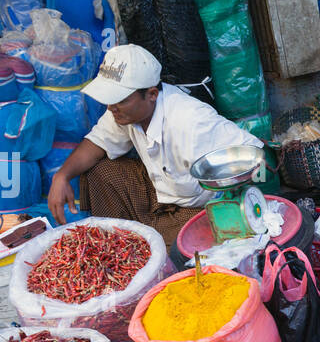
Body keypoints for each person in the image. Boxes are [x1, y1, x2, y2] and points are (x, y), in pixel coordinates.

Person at [47, 44, 264, 246]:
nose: (112, 107)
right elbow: (96, 142)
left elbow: (257, 156)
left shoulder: (192, 120)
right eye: (110, 100)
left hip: (196, 208)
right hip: (159, 191)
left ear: (151, 94)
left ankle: (143, 243)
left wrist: (242, 197)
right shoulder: (122, 112)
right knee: (98, 171)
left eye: (120, 100)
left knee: (185, 248)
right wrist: (62, 176)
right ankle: (121, 243)